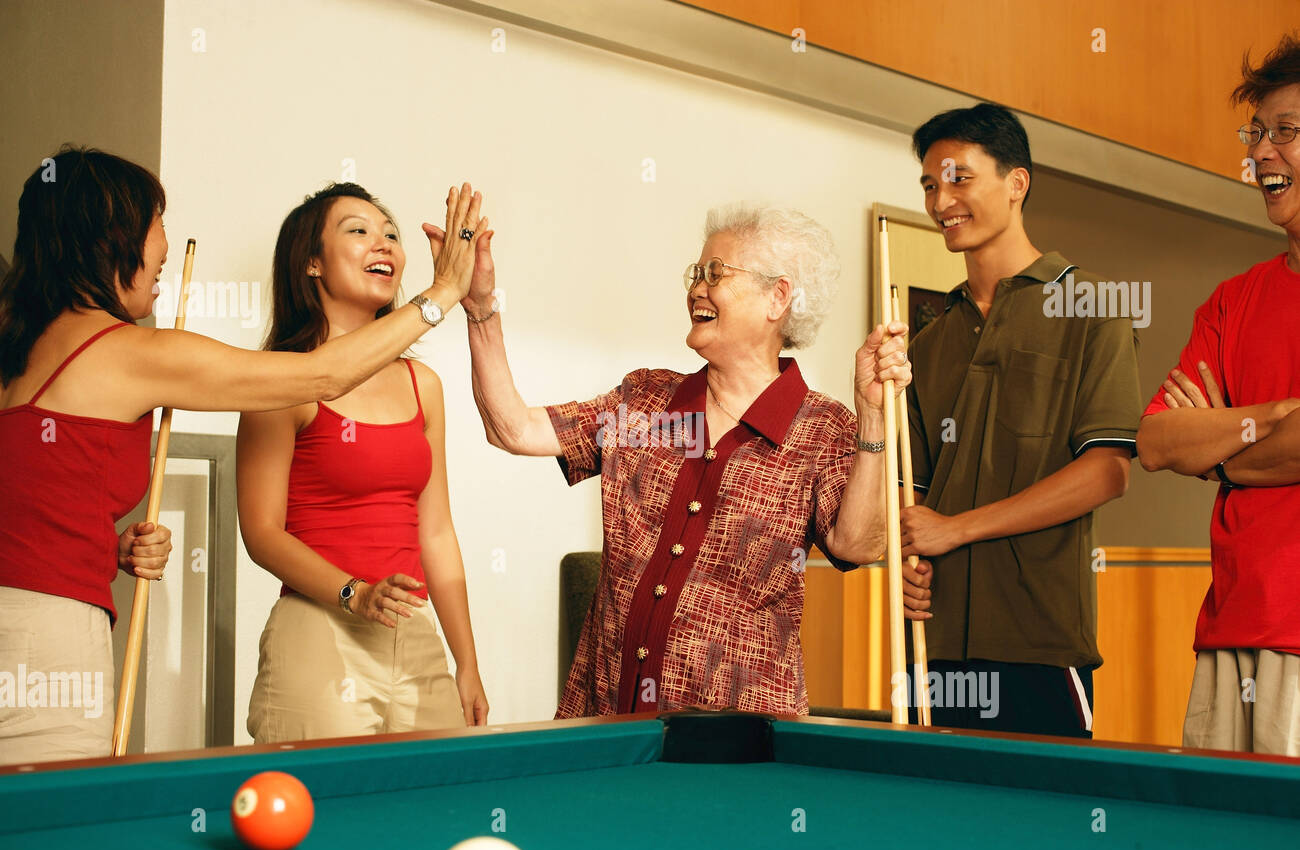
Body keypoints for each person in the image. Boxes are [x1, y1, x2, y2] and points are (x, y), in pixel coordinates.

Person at [0, 147, 483, 764]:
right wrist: (442, 294)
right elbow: (320, 376)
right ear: (113, 237)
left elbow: (32, 492)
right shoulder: (124, 349)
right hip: (48, 644)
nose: (166, 245)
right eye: (155, 220)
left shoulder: (21, 346)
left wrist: (100, 542)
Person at [427, 202, 910, 716]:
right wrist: (480, 308)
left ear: (778, 296)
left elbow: (857, 545)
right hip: (605, 721)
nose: (697, 288)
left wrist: (873, 418)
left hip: (732, 742)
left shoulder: (822, 426)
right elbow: (514, 428)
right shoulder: (645, 400)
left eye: (716, 273)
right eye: (696, 273)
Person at [899, 103, 1142, 738]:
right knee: (945, 827)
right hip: (939, 642)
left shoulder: (1092, 306)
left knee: (1047, 831)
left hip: (1041, 641)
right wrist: (913, 555)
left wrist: (954, 531)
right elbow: (917, 500)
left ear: (1017, 182)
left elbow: (1107, 473)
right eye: (929, 184)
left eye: (959, 178)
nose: (940, 199)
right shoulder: (927, 343)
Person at [239, 183, 488, 742]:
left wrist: (464, 660)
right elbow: (261, 533)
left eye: (391, 234)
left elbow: (438, 533)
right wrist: (356, 593)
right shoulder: (281, 379)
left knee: (436, 807)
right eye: (358, 230)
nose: (384, 244)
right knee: (320, 813)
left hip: (413, 633)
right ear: (310, 263)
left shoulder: (424, 385)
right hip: (319, 630)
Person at [1136, 35, 1300, 756]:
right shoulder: (1232, 302)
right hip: (1228, 627)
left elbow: (1194, 443)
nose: (1263, 153)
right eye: (1256, 134)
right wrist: (1270, 417)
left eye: (1286, 132)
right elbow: (1155, 441)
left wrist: (1221, 451)